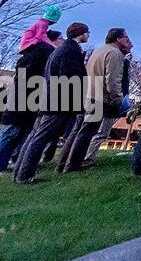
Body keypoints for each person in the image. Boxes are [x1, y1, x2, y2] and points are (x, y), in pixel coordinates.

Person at [13, 22, 90, 183]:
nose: (88, 35)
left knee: (34, 136)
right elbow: (70, 78)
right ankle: (25, 175)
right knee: (40, 138)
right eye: (87, 32)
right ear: (80, 33)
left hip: (48, 99)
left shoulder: (60, 51)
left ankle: (20, 173)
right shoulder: (70, 51)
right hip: (57, 102)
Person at [62, 28, 132, 172]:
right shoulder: (115, 53)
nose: (127, 40)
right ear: (118, 38)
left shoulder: (99, 50)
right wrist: (117, 98)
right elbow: (112, 80)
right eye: (125, 37)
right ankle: (74, 165)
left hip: (88, 94)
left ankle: (65, 162)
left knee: (80, 131)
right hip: (100, 97)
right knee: (88, 133)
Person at [0, 24, 57, 172]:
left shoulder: (38, 57)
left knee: (18, 133)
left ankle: (10, 162)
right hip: (21, 101)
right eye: (60, 39)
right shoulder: (35, 57)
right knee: (10, 133)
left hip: (26, 101)